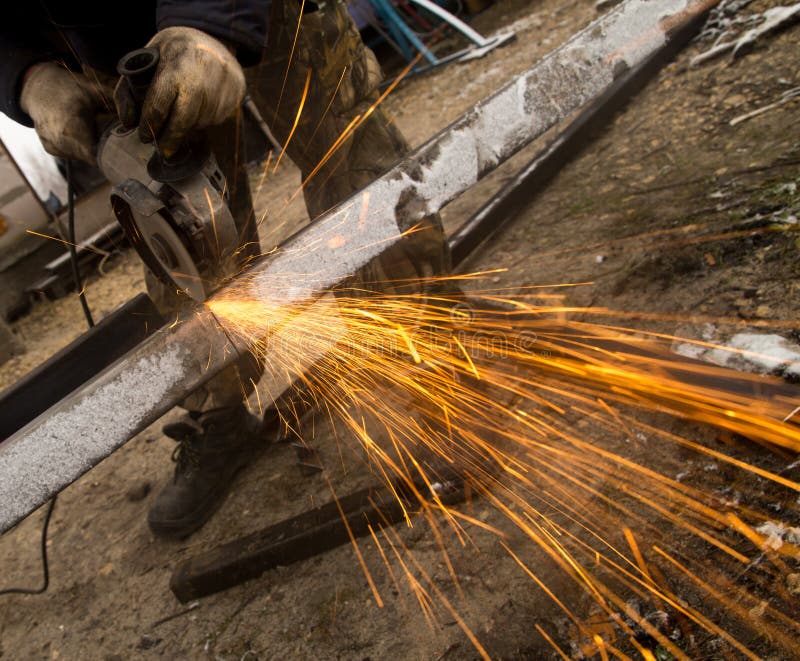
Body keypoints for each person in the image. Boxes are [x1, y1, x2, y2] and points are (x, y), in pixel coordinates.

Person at [1, 1, 451, 538]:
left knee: (349, 153)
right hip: (107, 39)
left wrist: (208, 18)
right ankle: (221, 412)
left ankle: (438, 359)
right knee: (177, 228)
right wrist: (26, 74)